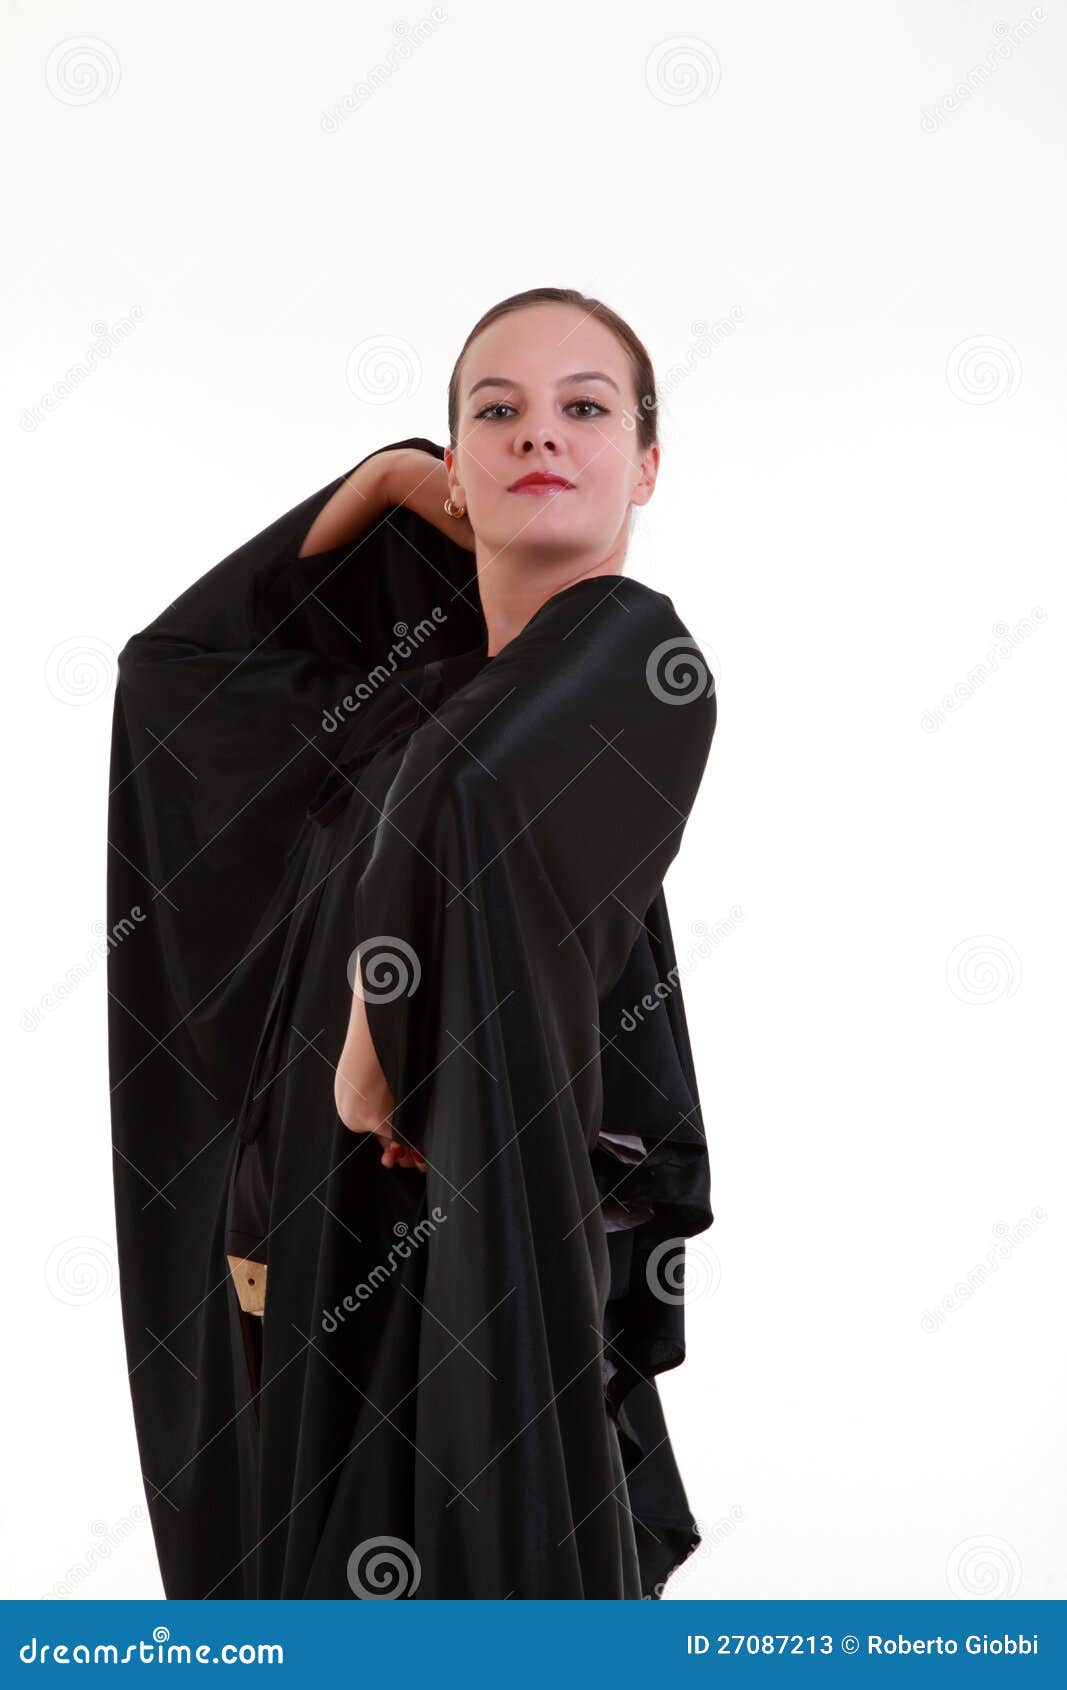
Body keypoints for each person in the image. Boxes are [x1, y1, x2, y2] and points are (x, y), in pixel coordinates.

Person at [109, 286, 718, 1598]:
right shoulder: (415, 703)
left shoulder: (634, 652)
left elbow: (485, 803)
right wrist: (383, 481)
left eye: (584, 407)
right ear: (458, 464)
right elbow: (178, 678)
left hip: (463, 1261)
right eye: (494, 412)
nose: (537, 434)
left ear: (647, 464)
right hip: (317, 1270)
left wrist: (377, 1050)